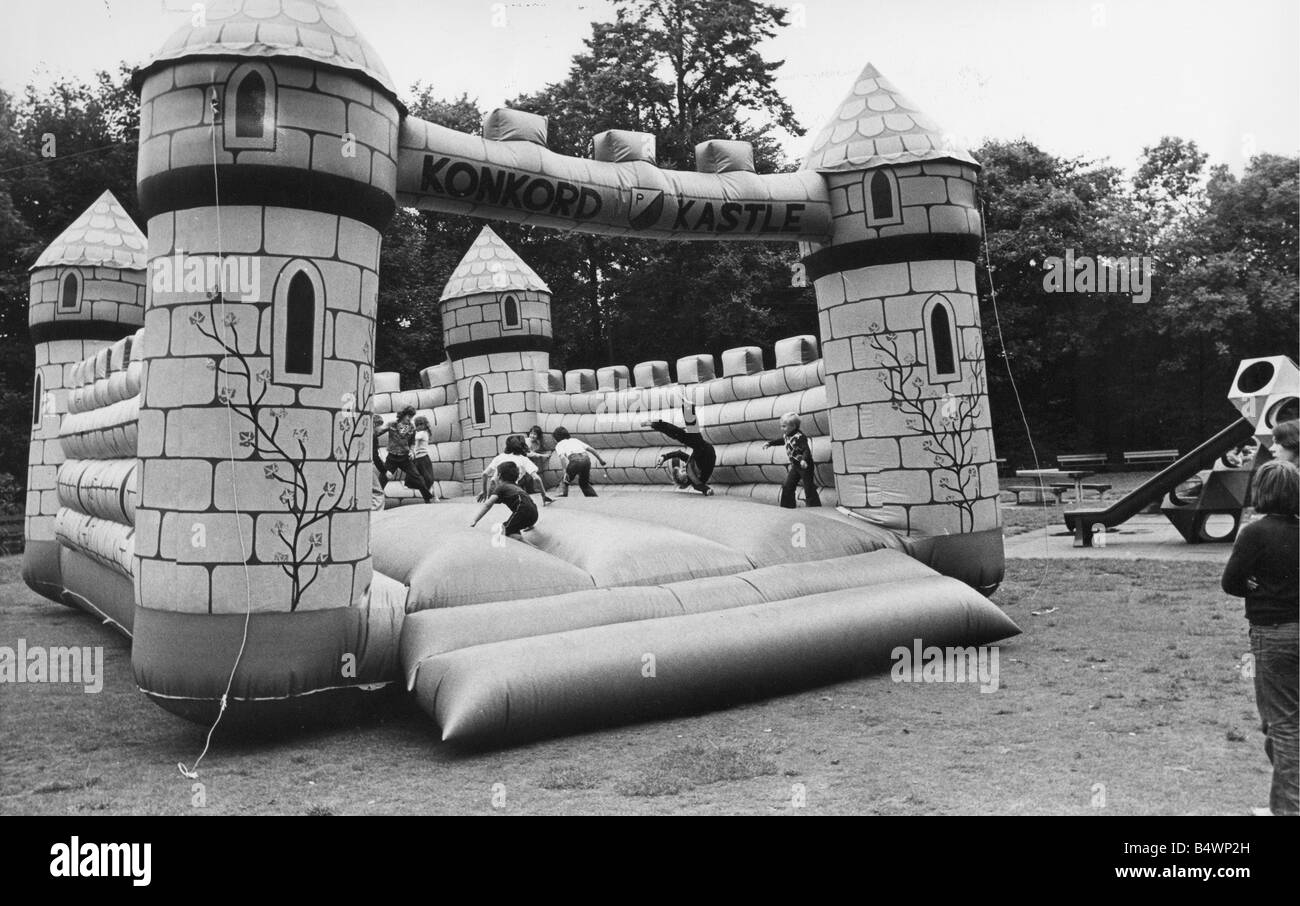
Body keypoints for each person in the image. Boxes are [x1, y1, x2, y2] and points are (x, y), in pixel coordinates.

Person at [1221, 459, 1299, 816]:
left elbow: (1232, 582)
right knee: (1282, 724)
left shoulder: (1255, 533)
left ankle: (1288, 809)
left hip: (1274, 636)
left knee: (1283, 726)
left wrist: (1256, 584)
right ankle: (1286, 797)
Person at [764, 412, 821, 509]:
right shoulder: (787, 435)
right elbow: (782, 441)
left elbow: (806, 450)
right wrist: (770, 443)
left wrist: (804, 460)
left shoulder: (800, 437)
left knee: (808, 487)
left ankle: (814, 507)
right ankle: (787, 507)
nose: (782, 429)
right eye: (781, 426)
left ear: (793, 426)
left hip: (805, 466)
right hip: (796, 466)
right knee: (787, 485)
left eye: (784, 426)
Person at [376, 406, 432, 504]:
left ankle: (427, 499)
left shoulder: (412, 428)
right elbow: (379, 432)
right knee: (382, 479)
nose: (409, 419)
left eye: (411, 417)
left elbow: (412, 443)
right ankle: (374, 500)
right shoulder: (392, 424)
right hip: (392, 458)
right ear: (403, 415)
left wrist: (411, 451)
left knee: (417, 477)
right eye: (408, 416)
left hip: (405, 458)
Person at [470, 461, 538, 540]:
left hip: (523, 513)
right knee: (511, 529)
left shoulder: (501, 487)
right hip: (534, 515)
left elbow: (487, 505)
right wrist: (530, 524)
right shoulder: (517, 487)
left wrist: (475, 520)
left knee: (502, 531)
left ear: (499, 475)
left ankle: (531, 548)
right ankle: (517, 536)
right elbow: (527, 503)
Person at [645, 419, 715, 495]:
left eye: (681, 469)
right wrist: (707, 490)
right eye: (682, 471)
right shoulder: (694, 481)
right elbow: (700, 487)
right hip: (706, 456)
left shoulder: (690, 466)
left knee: (681, 435)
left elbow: (679, 454)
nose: (683, 468)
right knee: (686, 436)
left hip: (703, 449)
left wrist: (664, 457)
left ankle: (655, 424)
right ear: (684, 480)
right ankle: (687, 411)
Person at [480, 435, 553, 505]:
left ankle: (496, 481)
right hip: (510, 490)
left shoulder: (499, 457)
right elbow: (537, 479)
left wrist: (484, 490)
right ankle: (500, 484)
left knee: (500, 470)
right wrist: (543, 495)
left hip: (497, 489)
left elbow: (484, 474)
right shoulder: (523, 459)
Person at [552, 426, 606, 497]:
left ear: (556, 438)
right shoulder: (575, 440)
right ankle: (593, 497)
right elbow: (591, 449)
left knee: (565, 481)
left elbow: (562, 458)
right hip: (586, 460)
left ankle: (563, 495)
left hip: (575, 461)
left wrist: (565, 471)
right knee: (584, 483)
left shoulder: (559, 444)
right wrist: (601, 460)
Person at [411, 415, 439, 501]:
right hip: (417, 458)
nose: (418, 426)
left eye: (420, 424)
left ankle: (433, 495)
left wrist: (411, 431)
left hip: (423, 458)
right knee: (422, 478)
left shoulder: (424, 433)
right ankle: (431, 496)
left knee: (428, 478)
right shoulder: (420, 433)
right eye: (417, 425)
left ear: (424, 425)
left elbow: (416, 437)